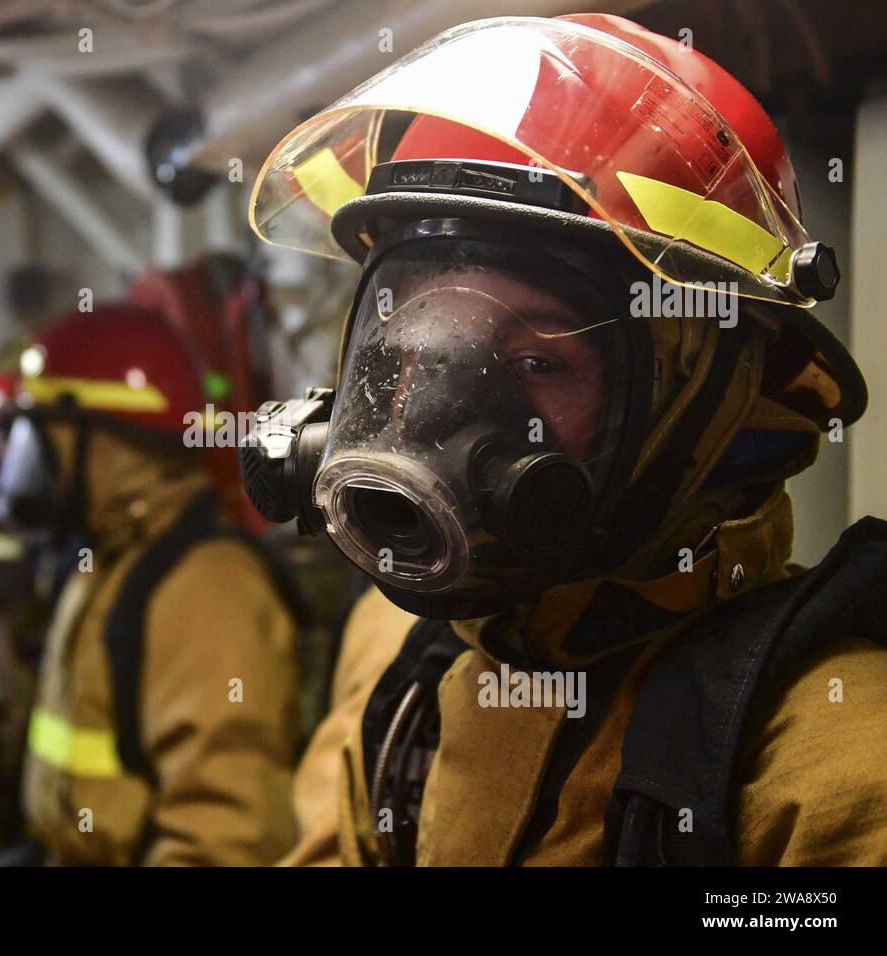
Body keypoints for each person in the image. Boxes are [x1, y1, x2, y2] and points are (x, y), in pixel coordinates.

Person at [240, 13, 887, 865]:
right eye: (412, 348)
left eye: (537, 362)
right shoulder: (412, 683)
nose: (437, 415)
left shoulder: (825, 757)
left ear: (697, 402)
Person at [0, 303, 302, 866]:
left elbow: (224, 838)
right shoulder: (107, 561)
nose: (24, 464)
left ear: (106, 440)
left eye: (41, 434)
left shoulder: (207, 589)